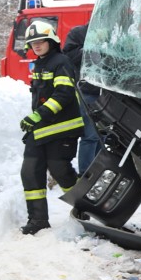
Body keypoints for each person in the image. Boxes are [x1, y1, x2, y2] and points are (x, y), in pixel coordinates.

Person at [18, 20, 84, 235]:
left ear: (51, 41)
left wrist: (38, 115)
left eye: (40, 41)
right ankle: (37, 220)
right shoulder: (40, 63)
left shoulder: (61, 62)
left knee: (60, 171)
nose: (36, 46)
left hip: (62, 128)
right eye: (32, 43)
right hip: (41, 129)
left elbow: (64, 95)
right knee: (30, 172)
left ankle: (84, 210)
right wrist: (36, 120)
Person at [61, 23, 101, 173]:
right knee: (90, 135)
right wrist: (89, 48)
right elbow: (68, 57)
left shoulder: (113, 33)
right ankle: (86, 173)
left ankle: (97, 171)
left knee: (101, 136)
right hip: (87, 91)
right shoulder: (78, 33)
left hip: (106, 93)